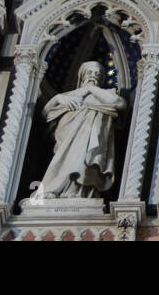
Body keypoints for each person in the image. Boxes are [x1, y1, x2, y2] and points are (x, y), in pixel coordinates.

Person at [38, 61, 128, 199]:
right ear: (82, 75)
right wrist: (57, 98)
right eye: (90, 72)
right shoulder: (69, 96)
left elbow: (120, 104)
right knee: (67, 158)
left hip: (92, 138)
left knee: (85, 160)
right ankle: (55, 189)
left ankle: (79, 193)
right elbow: (45, 114)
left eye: (98, 74)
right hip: (68, 136)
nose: (94, 76)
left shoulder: (105, 95)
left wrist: (91, 89)